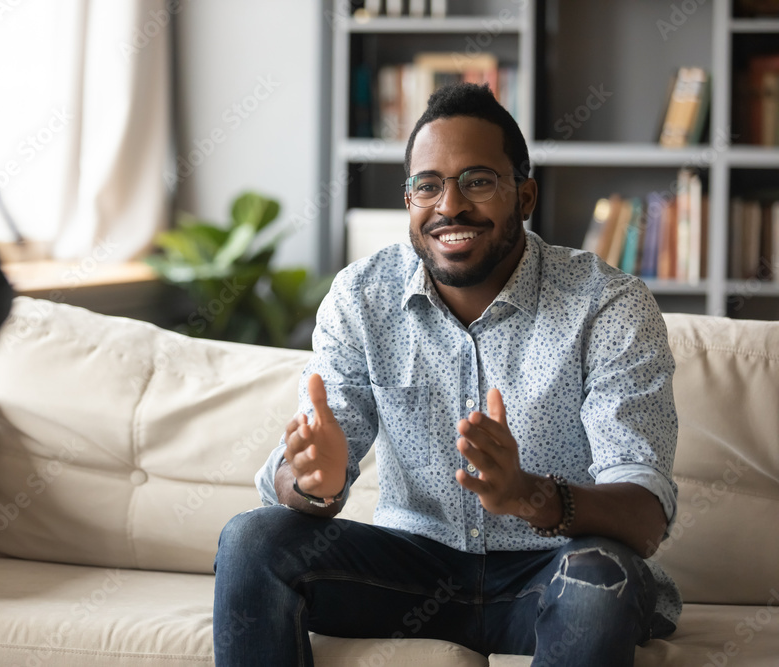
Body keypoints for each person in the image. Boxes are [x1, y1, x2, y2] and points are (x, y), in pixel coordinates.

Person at [212, 83, 680, 667]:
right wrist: (315, 485)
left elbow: (645, 516)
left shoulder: (607, 304)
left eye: (478, 181)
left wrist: (527, 495)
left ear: (526, 194)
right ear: (408, 200)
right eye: (427, 186)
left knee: (596, 578)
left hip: (554, 575)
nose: (449, 206)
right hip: (410, 575)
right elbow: (292, 485)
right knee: (252, 541)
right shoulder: (361, 297)